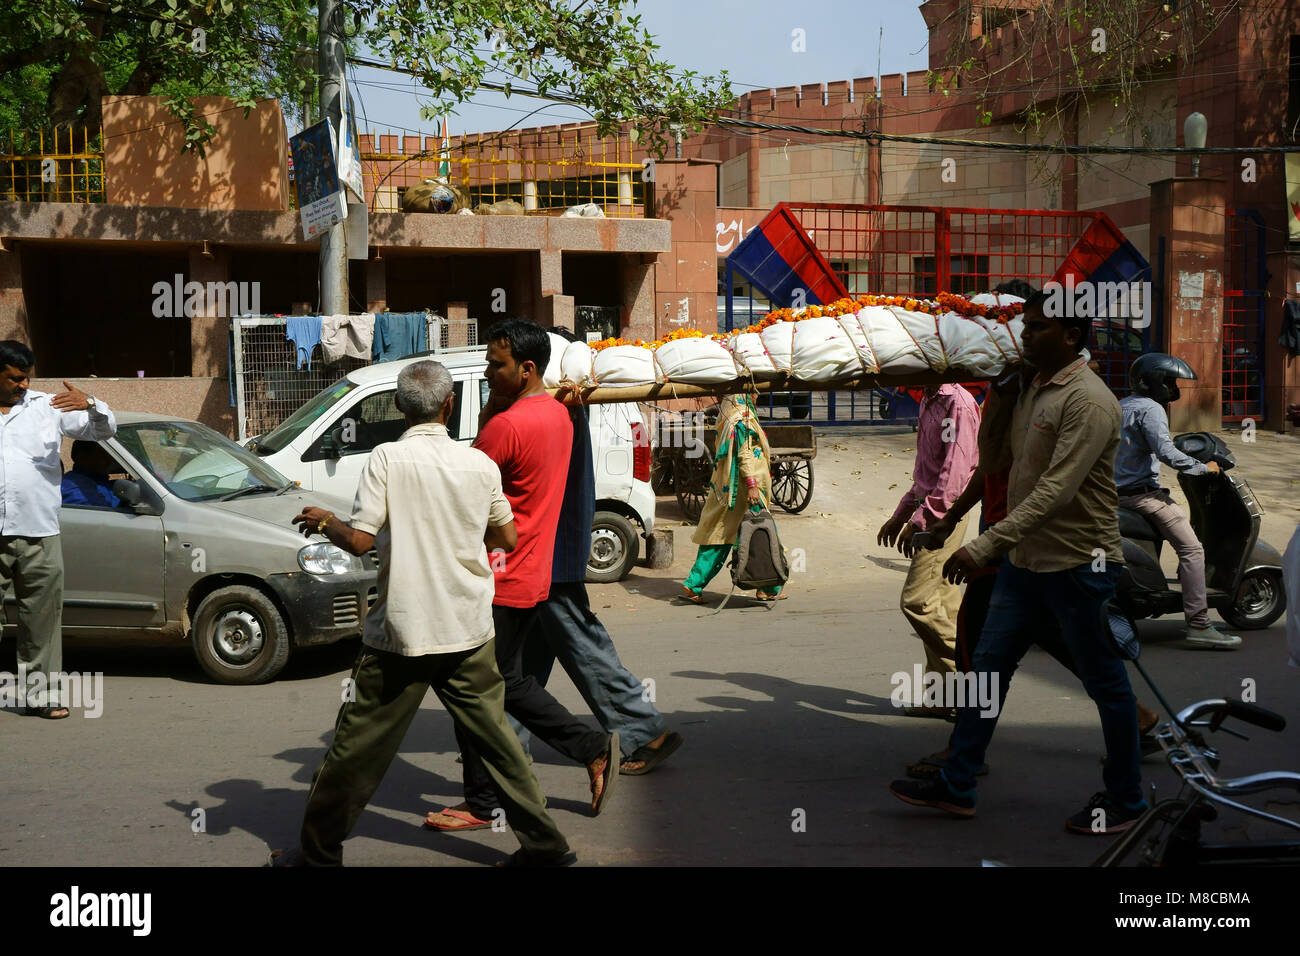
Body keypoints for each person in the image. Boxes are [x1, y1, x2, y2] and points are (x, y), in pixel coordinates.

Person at [269, 361, 574, 867]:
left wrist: (325, 522)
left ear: (397, 407)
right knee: (499, 743)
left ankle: (318, 854)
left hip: (403, 632)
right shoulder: (478, 464)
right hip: (469, 628)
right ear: (449, 405)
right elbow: (507, 536)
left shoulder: (388, 458)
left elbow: (361, 539)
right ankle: (547, 846)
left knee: (355, 748)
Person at [888, 289, 1148, 835]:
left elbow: (1053, 491)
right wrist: (947, 520)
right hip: (1024, 563)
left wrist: (982, 546)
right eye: (1025, 327)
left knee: (1105, 683)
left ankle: (1127, 798)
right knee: (986, 670)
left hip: (1078, 564)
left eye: (1037, 329)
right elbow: (996, 463)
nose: (1025, 336)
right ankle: (957, 782)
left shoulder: (1090, 401)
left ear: (1071, 336)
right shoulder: (1032, 390)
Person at [425, 319, 619, 833]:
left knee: (482, 684)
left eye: (496, 364)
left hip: (496, 577)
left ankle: (583, 751)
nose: (488, 372)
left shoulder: (505, 427)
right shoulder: (558, 415)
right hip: (533, 575)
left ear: (527, 368)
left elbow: (465, 492)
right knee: (493, 682)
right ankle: (490, 794)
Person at [520, 388, 683, 776]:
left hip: (549, 554)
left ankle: (642, 730)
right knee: (522, 659)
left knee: (579, 644)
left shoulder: (553, 410)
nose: (492, 373)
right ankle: (500, 741)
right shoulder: (559, 407)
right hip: (546, 551)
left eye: (498, 365)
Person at [0, 340, 116, 719]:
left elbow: (102, 431)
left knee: (41, 619)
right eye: (14, 378)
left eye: (26, 377)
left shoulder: (47, 407)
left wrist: (93, 405)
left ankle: (41, 696)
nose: (23, 384)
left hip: (39, 531)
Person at [1115, 353, 1240, 649]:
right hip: (1142, 496)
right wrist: (1203, 467)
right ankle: (1199, 624)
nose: (1173, 388)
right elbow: (1167, 453)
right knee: (1192, 548)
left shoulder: (1120, 405)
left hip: (1114, 494)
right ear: (1155, 381)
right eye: (1170, 380)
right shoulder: (1152, 409)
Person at [877, 381, 980, 712]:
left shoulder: (958, 404)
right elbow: (927, 473)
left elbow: (955, 476)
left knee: (917, 601)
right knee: (945, 604)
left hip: (944, 517)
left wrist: (921, 521)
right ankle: (943, 698)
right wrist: (901, 513)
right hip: (931, 510)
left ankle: (967, 677)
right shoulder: (929, 400)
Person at [679, 391, 783, 603]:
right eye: (754, 391)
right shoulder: (741, 419)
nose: (757, 395)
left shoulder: (731, 414)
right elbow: (744, 454)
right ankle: (767, 586)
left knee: (732, 535)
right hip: (743, 491)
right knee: (758, 533)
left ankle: (767, 586)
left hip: (736, 488)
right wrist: (752, 486)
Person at [61, 440, 122, 508]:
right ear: (83, 457)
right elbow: (103, 511)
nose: (108, 459)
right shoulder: (77, 487)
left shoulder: (98, 481)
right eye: (101, 454)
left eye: (108, 454)